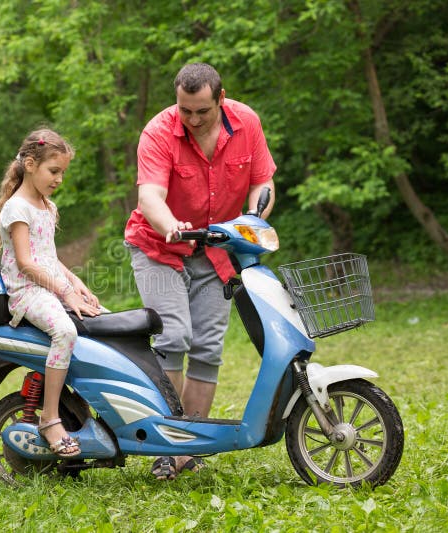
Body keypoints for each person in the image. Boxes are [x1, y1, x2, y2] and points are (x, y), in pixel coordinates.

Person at [123, 62, 276, 479]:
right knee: (174, 336)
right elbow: (150, 196)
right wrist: (170, 224)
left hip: (216, 252)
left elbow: (262, 182)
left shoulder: (247, 123)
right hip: (159, 248)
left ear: (220, 100)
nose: (191, 120)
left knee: (207, 348)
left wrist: (252, 218)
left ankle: (186, 450)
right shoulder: (158, 131)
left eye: (201, 112)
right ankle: (163, 445)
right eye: (184, 110)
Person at [0, 128, 101, 457]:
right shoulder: (17, 209)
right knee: (66, 331)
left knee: (103, 324)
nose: (59, 179)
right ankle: (50, 417)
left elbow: (50, 258)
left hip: (50, 286)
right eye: (54, 171)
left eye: (62, 173)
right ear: (29, 164)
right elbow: (26, 264)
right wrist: (64, 293)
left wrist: (77, 286)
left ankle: (87, 405)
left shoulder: (47, 206)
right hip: (28, 292)